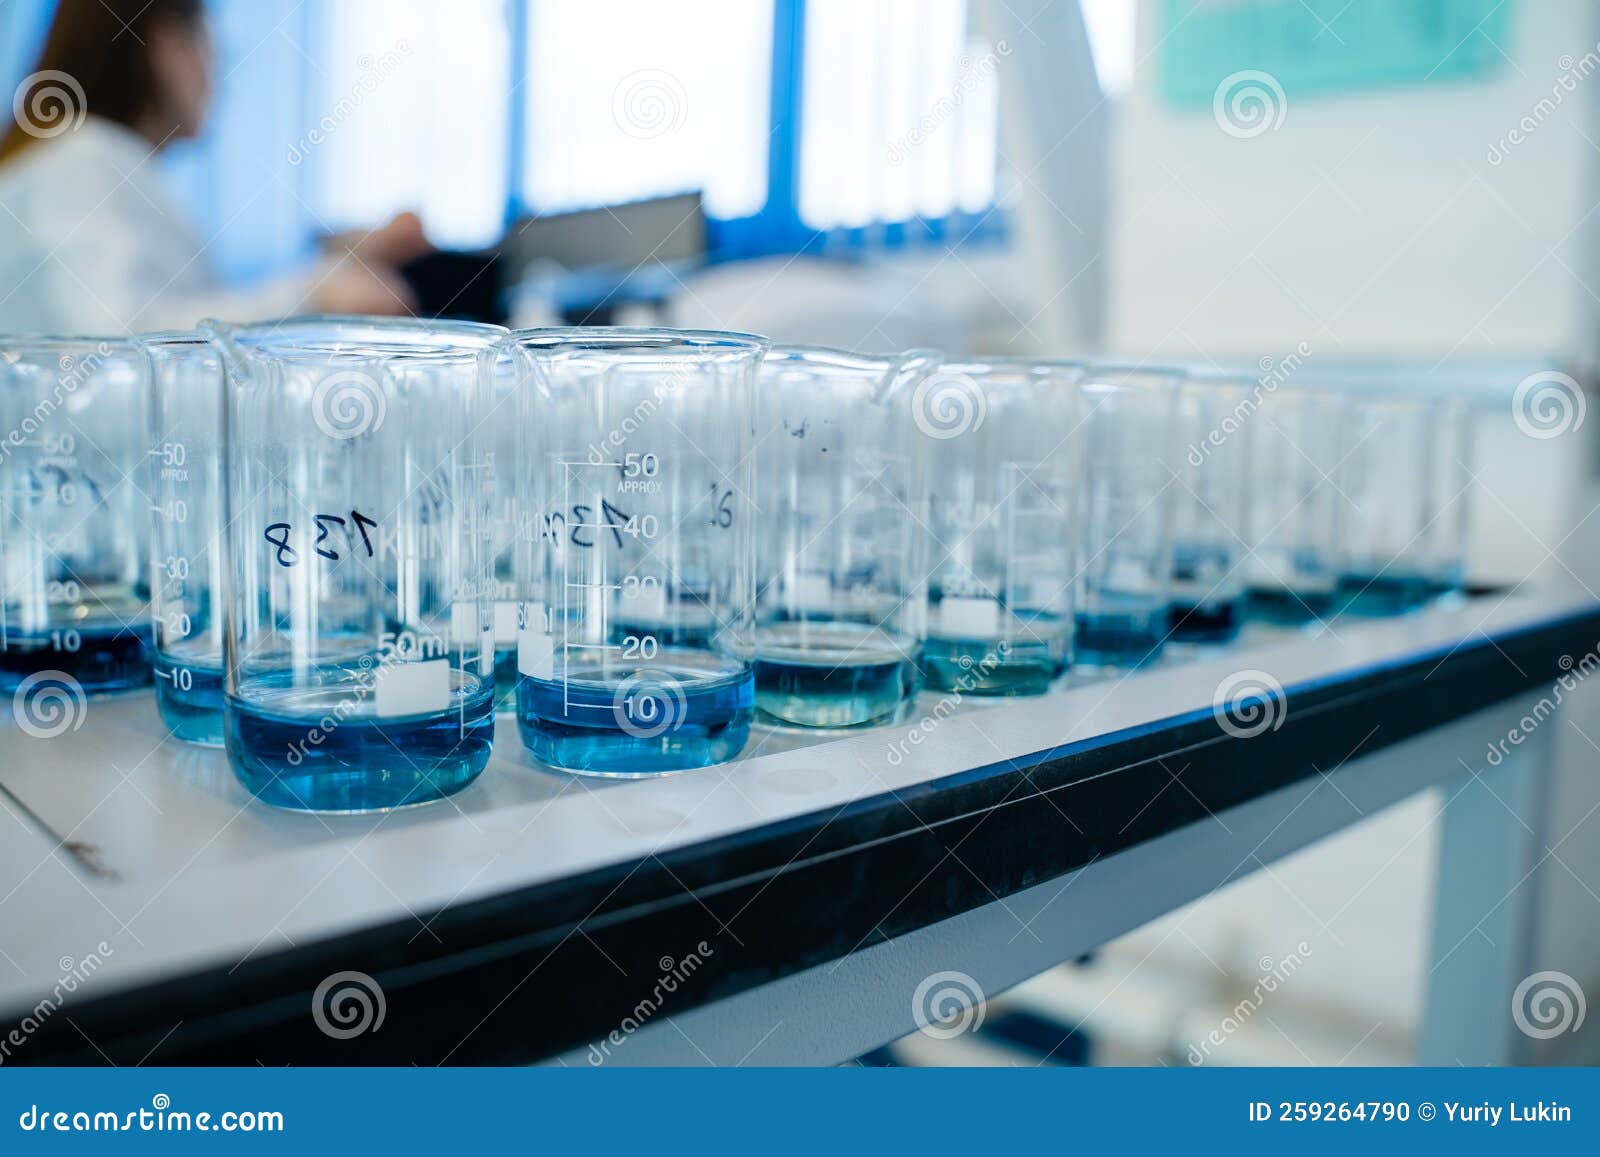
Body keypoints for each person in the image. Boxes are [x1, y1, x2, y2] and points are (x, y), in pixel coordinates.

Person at [0, 0, 426, 334]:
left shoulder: (91, 159)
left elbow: (187, 301)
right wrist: (316, 292)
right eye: (215, 50)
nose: (219, 80)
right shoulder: (83, 161)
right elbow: (124, 339)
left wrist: (333, 264)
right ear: (169, 47)